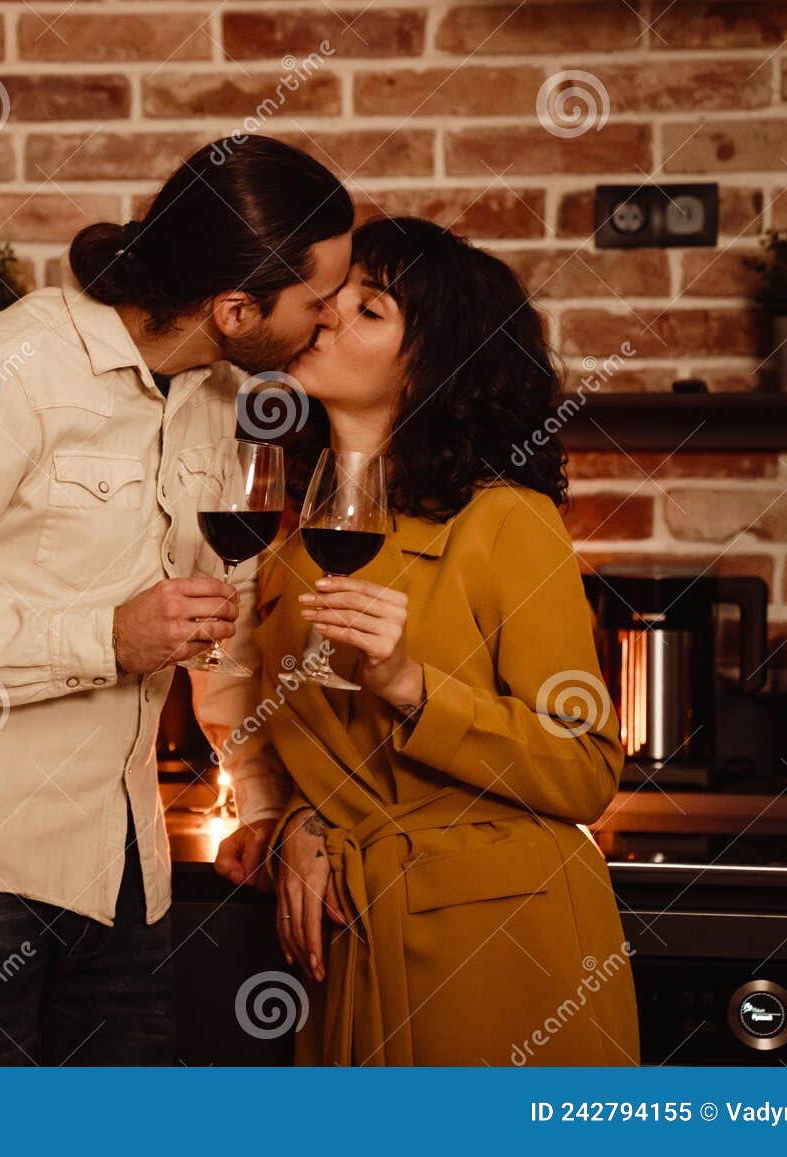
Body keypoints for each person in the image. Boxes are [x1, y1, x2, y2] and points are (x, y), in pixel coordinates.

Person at [0, 135, 353, 1065]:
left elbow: (217, 620)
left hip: (125, 866)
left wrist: (260, 798)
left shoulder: (221, 398)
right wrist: (101, 636)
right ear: (235, 308)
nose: (332, 318)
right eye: (319, 300)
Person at [214, 216, 640, 1065]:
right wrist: (301, 820)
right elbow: (326, 752)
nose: (326, 317)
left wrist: (413, 685)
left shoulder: (508, 521)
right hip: (353, 946)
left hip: (507, 949)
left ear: (432, 370)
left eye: (369, 311)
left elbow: (587, 766)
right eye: (332, 299)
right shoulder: (288, 552)